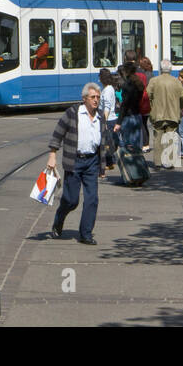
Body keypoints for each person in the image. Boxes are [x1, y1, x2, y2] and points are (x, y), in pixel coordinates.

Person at [47, 82, 111, 245]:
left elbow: (103, 143)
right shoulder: (72, 113)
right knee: (71, 200)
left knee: (92, 199)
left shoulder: (100, 117)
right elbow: (57, 134)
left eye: (98, 97)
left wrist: (103, 166)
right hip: (74, 161)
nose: (96, 100)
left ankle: (85, 234)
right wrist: (52, 155)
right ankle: (59, 218)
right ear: (84, 99)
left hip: (92, 162)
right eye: (93, 97)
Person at [147, 59, 183, 167]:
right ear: (171, 69)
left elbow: (147, 95)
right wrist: (179, 107)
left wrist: (151, 108)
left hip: (157, 114)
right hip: (173, 114)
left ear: (160, 68)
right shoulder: (176, 81)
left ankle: (158, 162)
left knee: (158, 138)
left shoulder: (154, 81)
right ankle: (169, 162)